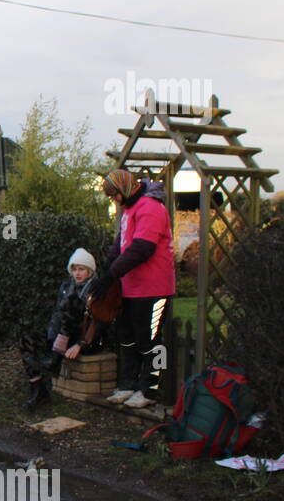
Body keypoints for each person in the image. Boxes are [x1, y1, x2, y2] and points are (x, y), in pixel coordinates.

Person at [91, 169, 175, 409]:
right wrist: (107, 268)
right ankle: (128, 385)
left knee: (150, 340)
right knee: (127, 338)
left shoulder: (151, 208)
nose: (113, 200)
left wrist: (112, 274)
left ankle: (149, 390)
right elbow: (120, 244)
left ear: (124, 190)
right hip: (131, 287)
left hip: (154, 287)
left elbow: (141, 248)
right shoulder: (129, 211)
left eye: (114, 195)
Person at [19, 248, 103, 410]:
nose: (77, 273)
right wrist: (51, 336)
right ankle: (38, 389)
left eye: (82, 269)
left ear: (90, 271)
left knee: (72, 304)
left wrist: (81, 344)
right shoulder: (67, 286)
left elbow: (98, 323)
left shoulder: (96, 291)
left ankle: (55, 360)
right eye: (74, 269)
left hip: (84, 340)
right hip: (61, 338)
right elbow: (58, 314)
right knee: (27, 338)